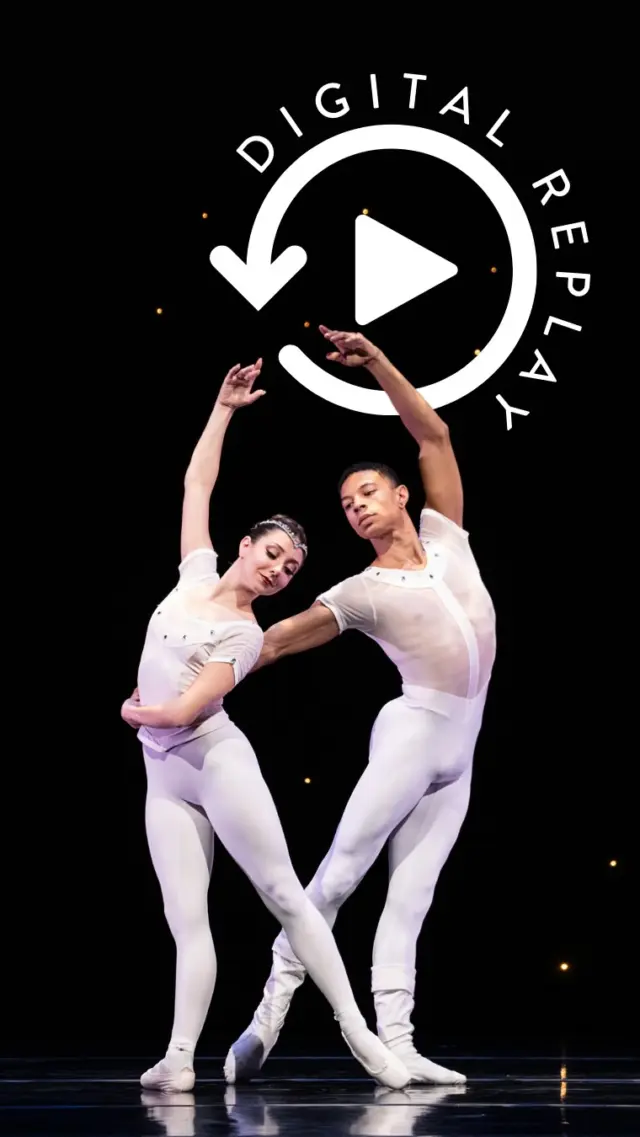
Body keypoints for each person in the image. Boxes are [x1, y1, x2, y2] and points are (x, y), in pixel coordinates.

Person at [121, 357, 411, 1094]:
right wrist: (223, 409)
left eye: (291, 569)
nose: (280, 570)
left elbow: (184, 709)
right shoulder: (194, 573)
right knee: (186, 919)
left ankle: (361, 1035)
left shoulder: (248, 635)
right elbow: (197, 484)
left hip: (215, 761)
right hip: (164, 777)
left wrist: (134, 710)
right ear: (246, 546)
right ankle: (179, 1059)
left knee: (283, 892)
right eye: (274, 553)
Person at [227, 327, 497, 1086]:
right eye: (346, 507)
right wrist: (191, 669)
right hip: (414, 732)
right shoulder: (361, 591)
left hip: (462, 747)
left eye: (367, 494)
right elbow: (274, 643)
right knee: (341, 875)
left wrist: (376, 361)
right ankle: (269, 1012)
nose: (356, 509)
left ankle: (400, 1041)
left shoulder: (448, 535)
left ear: (401, 494)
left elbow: (433, 434)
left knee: (412, 895)